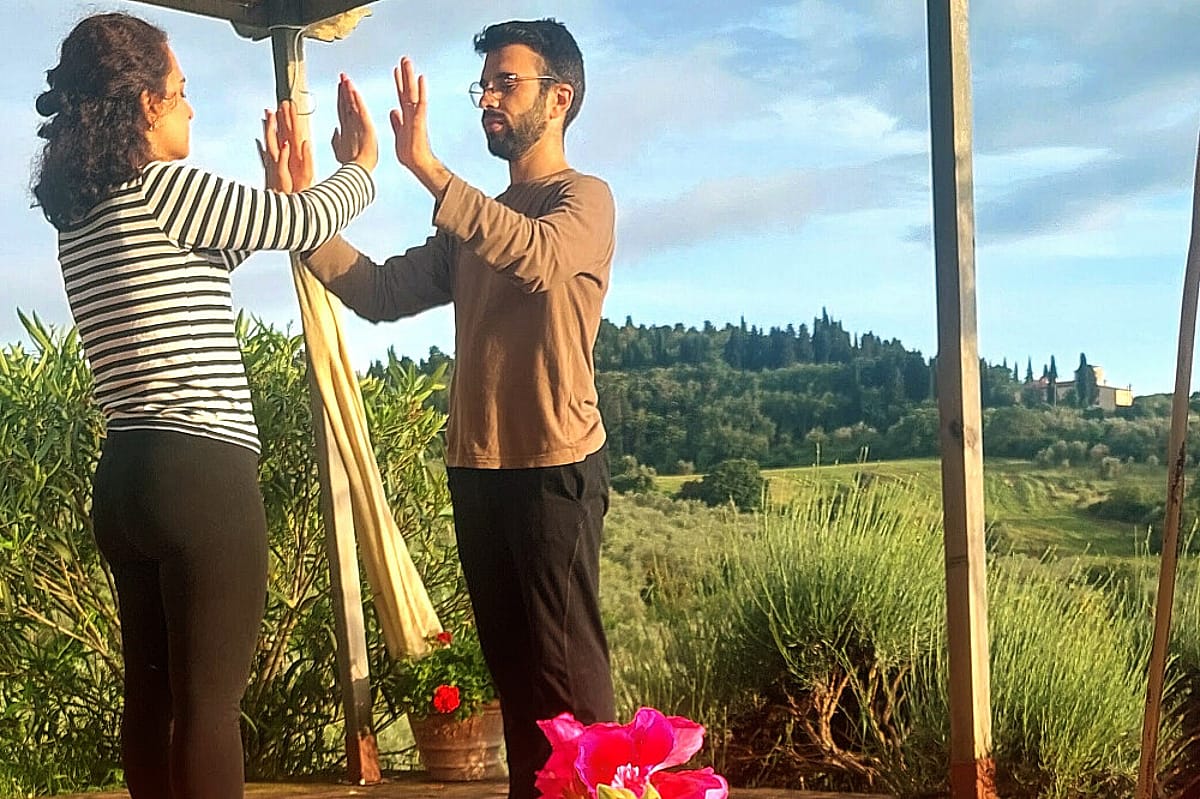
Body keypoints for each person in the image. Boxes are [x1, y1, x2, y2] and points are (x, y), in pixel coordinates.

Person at [31, 13, 378, 799]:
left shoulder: (83, 216)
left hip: (125, 476)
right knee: (211, 707)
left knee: (152, 698)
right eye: (181, 91)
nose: (191, 106)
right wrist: (360, 166)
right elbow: (303, 224)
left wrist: (280, 192)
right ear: (145, 103)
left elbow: (221, 248)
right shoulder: (167, 188)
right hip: (200, 472)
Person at [295, 18, 616, 799]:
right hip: (477, 472)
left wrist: (430, 170)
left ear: (560, 97)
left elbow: (538, 258)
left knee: (568, 688)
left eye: (507, 83)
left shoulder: (583, 199)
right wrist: (301, 213)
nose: (489, 99)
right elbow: (380, 292)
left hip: (554, 469)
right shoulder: (474, 223)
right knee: (516, 683)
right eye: (485, 86)